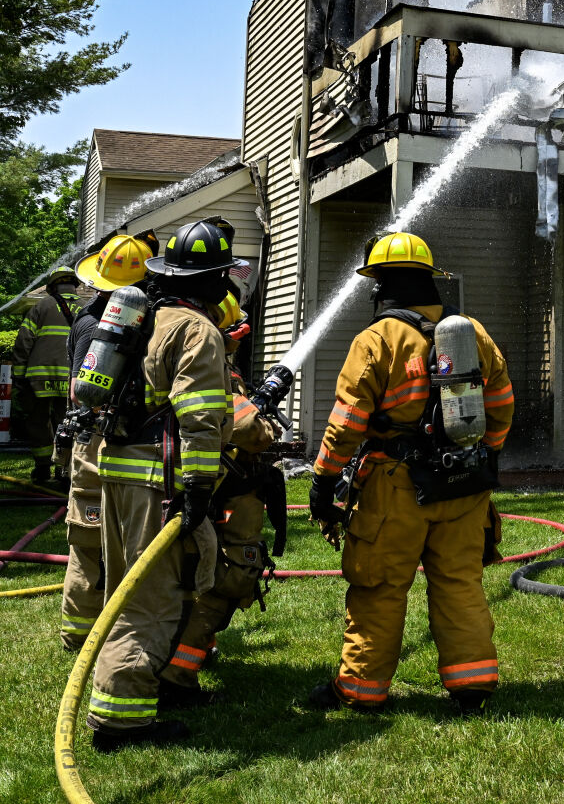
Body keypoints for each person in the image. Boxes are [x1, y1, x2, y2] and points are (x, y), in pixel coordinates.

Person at [304, 231, 514, 715]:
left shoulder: (377, 340)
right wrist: (480, 459)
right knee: (460, 581)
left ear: (380, 285)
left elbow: (348, 421)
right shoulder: (474, 335)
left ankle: (360, 690)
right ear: (430, 282)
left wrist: (322, 481)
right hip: (463, 485)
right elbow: (501, 407)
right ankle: (472, 686)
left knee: (379, 587)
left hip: (394, 486)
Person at [88, 219, 246, 752]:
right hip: (159, 482)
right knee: (151, 598)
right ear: (212, 278)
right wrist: (199, 487)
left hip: (116, 470)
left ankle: (122, 699)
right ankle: (121, 722)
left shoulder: (148, 318)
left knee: (124, 588)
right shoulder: (197, 330)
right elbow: (201, 417)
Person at [158, 291, 286, 703]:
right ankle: (177, 675)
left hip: (196, 490)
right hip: (227, 497)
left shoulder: (189, 352)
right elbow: (248, 428)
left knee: (191, 575)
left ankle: (185, 654)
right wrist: (265, 422)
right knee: (228, 579)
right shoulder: (211, 363)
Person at [59, 232, 158, 650]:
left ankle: (86, 630)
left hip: (96, 438)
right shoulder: (118, 323)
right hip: (108, 439)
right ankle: (90, 632)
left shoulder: (95, 319)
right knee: (102, 540)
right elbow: (82, 390)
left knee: (94, 537)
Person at [11, 268, 78, 482]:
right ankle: (63, 468)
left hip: (39, 378)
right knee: (66, 423)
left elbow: (23, 343)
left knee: (37, 421)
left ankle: (42, 468)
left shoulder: (42, 306)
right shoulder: (87, 308)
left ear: (51, 286)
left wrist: (19, 377)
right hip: (71, 380)